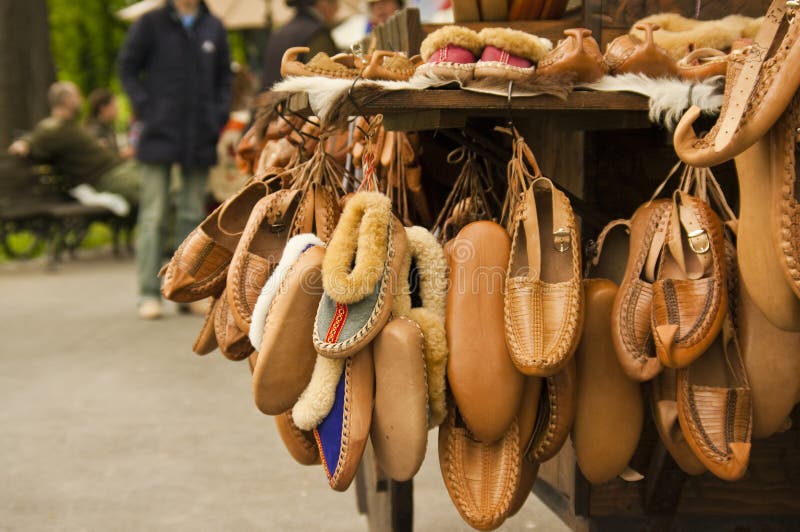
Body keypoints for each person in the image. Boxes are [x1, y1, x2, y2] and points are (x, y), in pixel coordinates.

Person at [119, 0, 231, 320]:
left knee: (192, 214)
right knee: (153, 214)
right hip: (158, 132)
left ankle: (185, 292)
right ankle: (147, 293)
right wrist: (146, 107)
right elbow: (127, 67)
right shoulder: (150, 23)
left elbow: (225, 77)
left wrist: (217, 115)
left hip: (200, 134)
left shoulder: (214, 26)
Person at [7, 81, 139, 216]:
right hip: (107, 177)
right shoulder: (54, 127)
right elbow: (35, 138)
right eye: (77, 95)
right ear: (66, 100)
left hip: (117, 170)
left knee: (155, 175)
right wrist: (24, 143)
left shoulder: (69, 125)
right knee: (154, 189)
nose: (81, 99)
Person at [262, 0, 340, 89]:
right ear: (322, 3)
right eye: (335, 2)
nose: (337, 9)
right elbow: (326, 80)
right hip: (297, 101)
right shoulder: (317, 34)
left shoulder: (279, 32)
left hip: (272, 100)